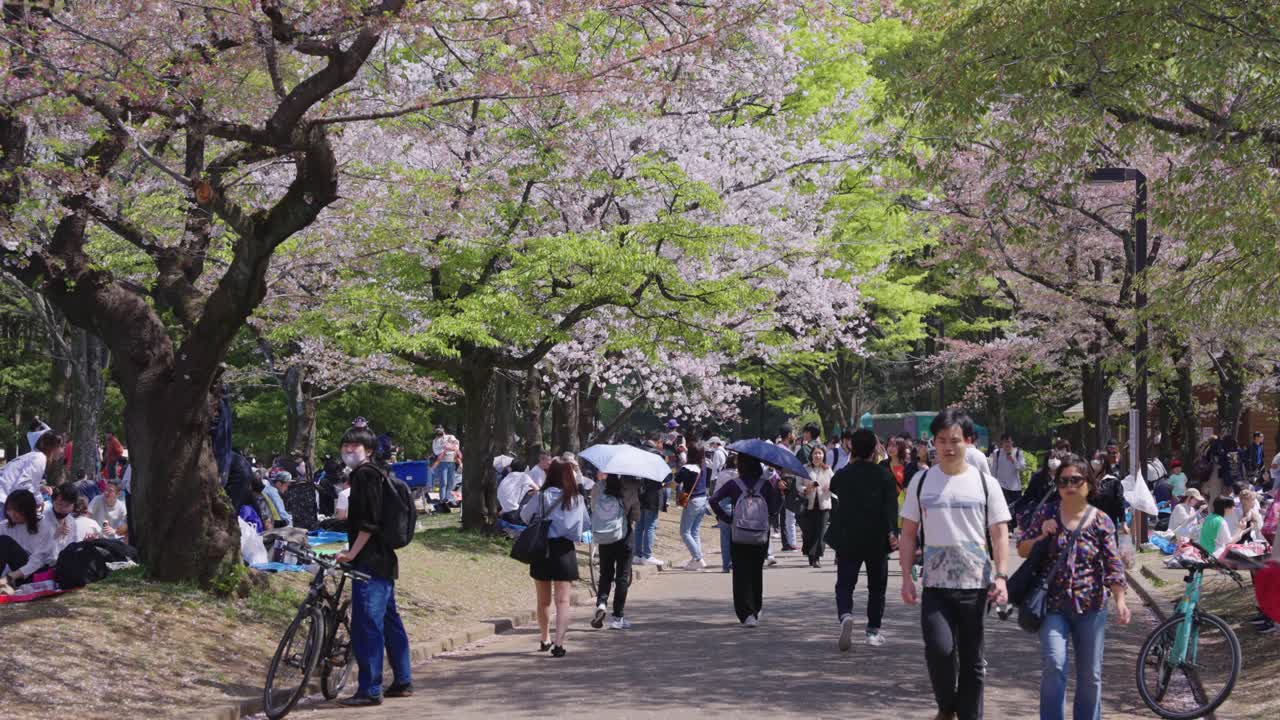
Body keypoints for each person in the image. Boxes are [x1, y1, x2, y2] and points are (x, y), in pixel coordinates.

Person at [900, 410, 1011, 720]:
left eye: (955, 440)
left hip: (975, 586)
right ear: (933, 443)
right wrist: (906, 577)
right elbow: (908, 534)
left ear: (969, 441)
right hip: (935, 585)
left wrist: (1001, 576)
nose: (948, 447)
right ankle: (947, 707)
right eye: (942, 440)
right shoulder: (921, 482)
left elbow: (999, 533)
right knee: (939, 650)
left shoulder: (985, 484)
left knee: (972, 659)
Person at [1018, 453, 1131, 720]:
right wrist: (1041, 536)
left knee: (1090, 676)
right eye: (1063, 481)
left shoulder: (1101, 520)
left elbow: (1113, 564)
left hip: (1091, 606)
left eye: (1076, 480)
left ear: (1089, 484)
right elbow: (1022, 548)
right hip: (1053, 606)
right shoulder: (1047, 513)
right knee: (1054, 665)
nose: (1069, 485)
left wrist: (1120, 601)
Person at [333, 424, 412, 706]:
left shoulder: (364, 475)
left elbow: (368, 523)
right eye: (345, 446)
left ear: (367, 450)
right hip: (384, 559)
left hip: (369, 561)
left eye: (354, 446)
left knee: (367, 626)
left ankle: (370, 689)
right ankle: (403, 680)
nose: (348, 450)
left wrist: (351, 553)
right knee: (390, 622)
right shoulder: (379, 473)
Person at [828, 428, 898, 650]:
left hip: (848, 536)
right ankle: (872, 631)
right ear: (874, 449)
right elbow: (891, 506)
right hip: (877, 538)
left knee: (845, 584)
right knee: (877, 587)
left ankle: (846, 615)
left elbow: (833, 486)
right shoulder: (884, 475)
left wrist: (851, 462)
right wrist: (893, 532)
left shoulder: (844, 474)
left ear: (853, 449)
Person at [521, 459, 586, 657]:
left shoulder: (541, 496)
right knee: (563, 601)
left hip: (542, 549)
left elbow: (525, 516)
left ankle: (544, 638)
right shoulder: (576, 499)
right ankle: (559, 643)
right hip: (564, 550)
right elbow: (584, 526)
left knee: (543, 601)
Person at [709, 454, 782, 627]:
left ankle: (746, 613)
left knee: (741, 573)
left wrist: (727, 519)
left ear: (741, 464)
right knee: (756, 572)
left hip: (739, 533)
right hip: (760, 535)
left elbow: (713, 500)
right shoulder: (765, 484)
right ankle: (756, 608)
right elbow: (775, 508)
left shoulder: (734, 484)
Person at [590, 473, 638, 630]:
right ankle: (618, 617)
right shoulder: (630, 488)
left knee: (605, 574)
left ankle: (601, 603)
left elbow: (593, 508)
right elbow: (636, 515)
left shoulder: (598, 487)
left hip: (605, 535)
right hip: (624, 536)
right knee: (622, 577)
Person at [0, 489, 58, 594]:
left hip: (34, 573)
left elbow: (38, 561)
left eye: (17, 511)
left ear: (28, 511)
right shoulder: (4, 526)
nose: (12, 514)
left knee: (5, 541)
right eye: (9, 510)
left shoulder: (45, 527)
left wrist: (9, 577)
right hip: (12, 573)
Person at [0, 432, 63, 509]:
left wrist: (40, 488)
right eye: (61, 446)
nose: (62, 451)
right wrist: (39, 500)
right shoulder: (39, 457)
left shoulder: (34, 456)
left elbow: (26, 483)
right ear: (52, 447)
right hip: (3, 499)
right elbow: (23, 485)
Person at [676, 444, 711, 571]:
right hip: (703, 499)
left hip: (693, 501)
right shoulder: (703, 464)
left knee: (685, 532)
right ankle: (696, 560)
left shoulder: (687, 468)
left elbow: (676, 480)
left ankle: (698, 558)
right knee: (695, 531)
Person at [800, 444, 833, 568]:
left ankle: (817, 557)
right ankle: (810, 554)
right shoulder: (805, 468)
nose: (818, 455)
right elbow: (798, 485)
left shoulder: (827, 469)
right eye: (815, 453)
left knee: (821, 533)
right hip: (808, 505)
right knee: (809, 532)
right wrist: (806, 488)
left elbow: (834, 484)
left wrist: (829, 488)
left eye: (820, 453)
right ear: (811, 455)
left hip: (824, 504)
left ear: (824, 455)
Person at [1088, 451, 1125, 534]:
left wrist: (1123, 523)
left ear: (1104, 462)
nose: (1094, 462)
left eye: (1097, 459)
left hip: (1109, 523)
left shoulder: (1113, 481)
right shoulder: (1088, 482)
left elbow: (1120, 502)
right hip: (1091, 524)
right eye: (1093, 459)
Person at [714, 453, 739, 573]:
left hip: (723, 505)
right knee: (737, 537)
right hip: (738, 505)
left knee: (724, 538)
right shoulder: (740, 474)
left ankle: (726, 565)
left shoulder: (722, 474)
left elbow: (716, 492)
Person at [989, 434, 1026, 509]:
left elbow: (1023, 468)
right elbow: (993, 470)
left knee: (1016, 511)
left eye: (1009, 442)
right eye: (1005, 442)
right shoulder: (997, 453)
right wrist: (992, 485)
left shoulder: (1018, 452)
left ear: (1012, 442)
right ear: (1002, 443)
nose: (1007, 444)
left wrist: (1013, 460)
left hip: (1015, 488)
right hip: (1001, 487)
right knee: (1002, 510)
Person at [497, 459, 538, 525]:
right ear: (524, 468)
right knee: (532, 493)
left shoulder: (508, 476)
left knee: (527, 492)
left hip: (502, 508)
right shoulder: (523, 476)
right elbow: (538, 490)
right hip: (513, 513)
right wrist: (531, 493)